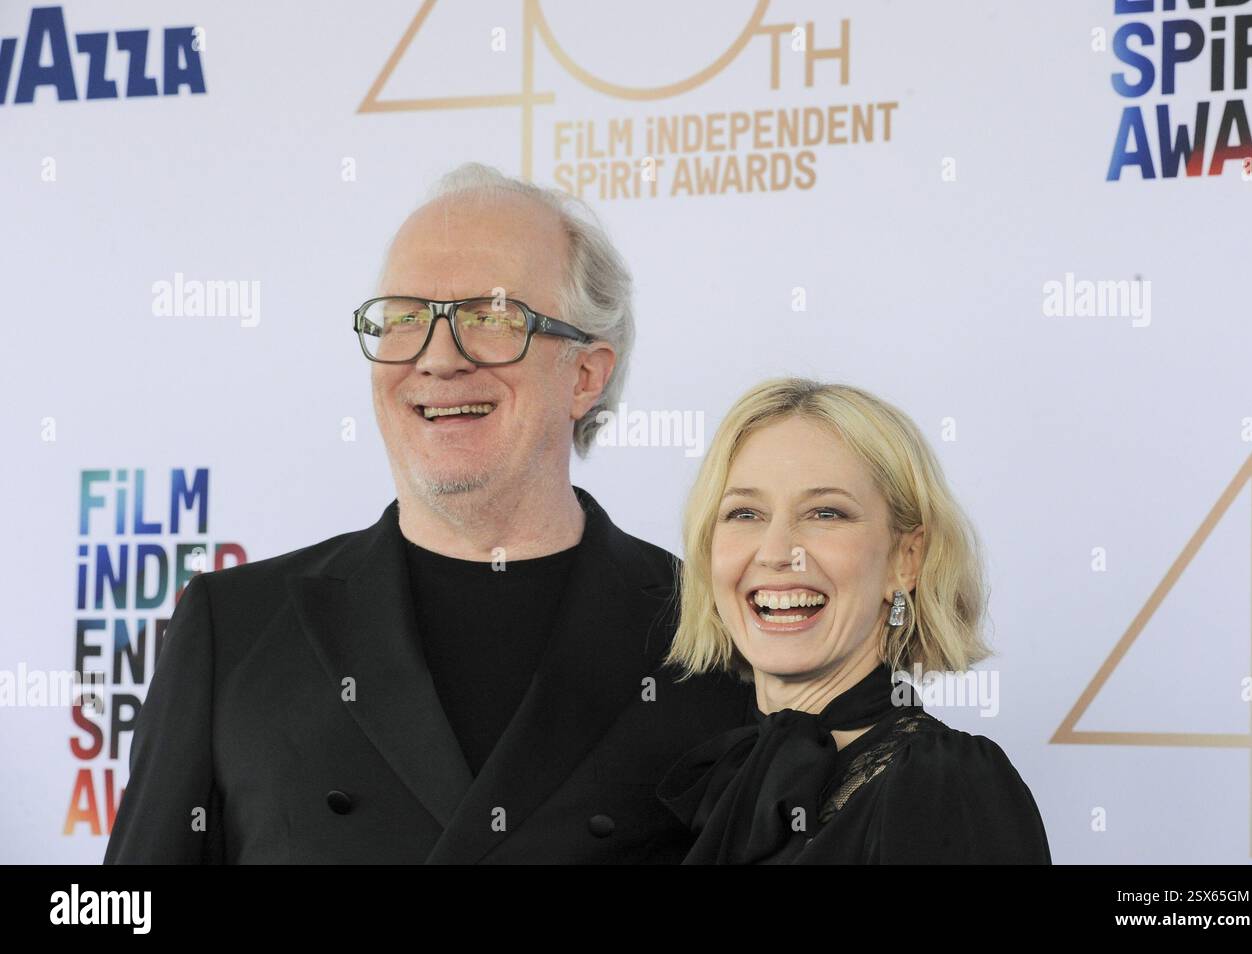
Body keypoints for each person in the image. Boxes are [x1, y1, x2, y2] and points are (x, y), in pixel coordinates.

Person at [103, 163, 751, 864]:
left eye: (491, 317)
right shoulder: (231, 629)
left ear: (585, 375)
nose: (438, 358)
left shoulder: (710, 634)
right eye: (407, 317)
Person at [655, 378, 1052, 864]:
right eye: (744, 513)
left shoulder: (945, 781)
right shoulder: (721, 775)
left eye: (825, 512)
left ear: (906, 558)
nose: (778, 552)